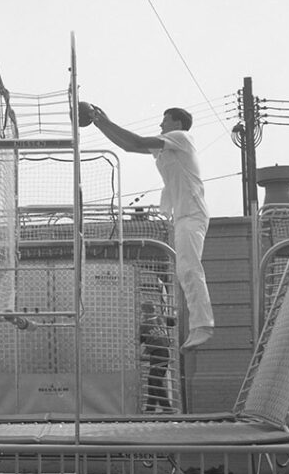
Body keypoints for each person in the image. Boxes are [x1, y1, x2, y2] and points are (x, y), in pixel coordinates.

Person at [89, 105, 214, 351]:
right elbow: (128, 146)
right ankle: (199, 324)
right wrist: (101, 123)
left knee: (190, 268)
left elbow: (135, 141)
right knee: (183, 270)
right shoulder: (165, 146)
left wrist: (104, 120)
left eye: (164, 121)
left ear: (177, 124)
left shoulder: (181, 138)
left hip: (193, 213)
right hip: (182, 215)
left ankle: (204, 325)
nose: (160, 125)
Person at [139, 300, 174, 412]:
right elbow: (173, 322)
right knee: (152, 379)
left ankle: (167, 409)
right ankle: (150, 408)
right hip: (164, 352)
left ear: (145, 311)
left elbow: (139, 340)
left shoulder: (144, 325)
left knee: (156, 380)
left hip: (158, 353)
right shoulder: (160, 319)